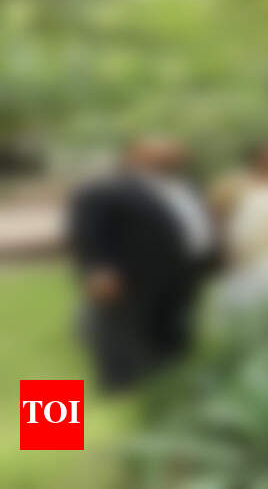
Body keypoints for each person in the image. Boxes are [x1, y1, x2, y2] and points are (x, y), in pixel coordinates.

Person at [69, 137, 214, 391]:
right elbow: (89, 232)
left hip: (180, 269)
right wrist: (98, 269)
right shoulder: (107, 188)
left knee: (171, 323)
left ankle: (169, 371)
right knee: (123, 326)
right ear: (134, 155)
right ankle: (120, 383)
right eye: (155, 153)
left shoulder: (181, 184)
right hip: (134, 272)